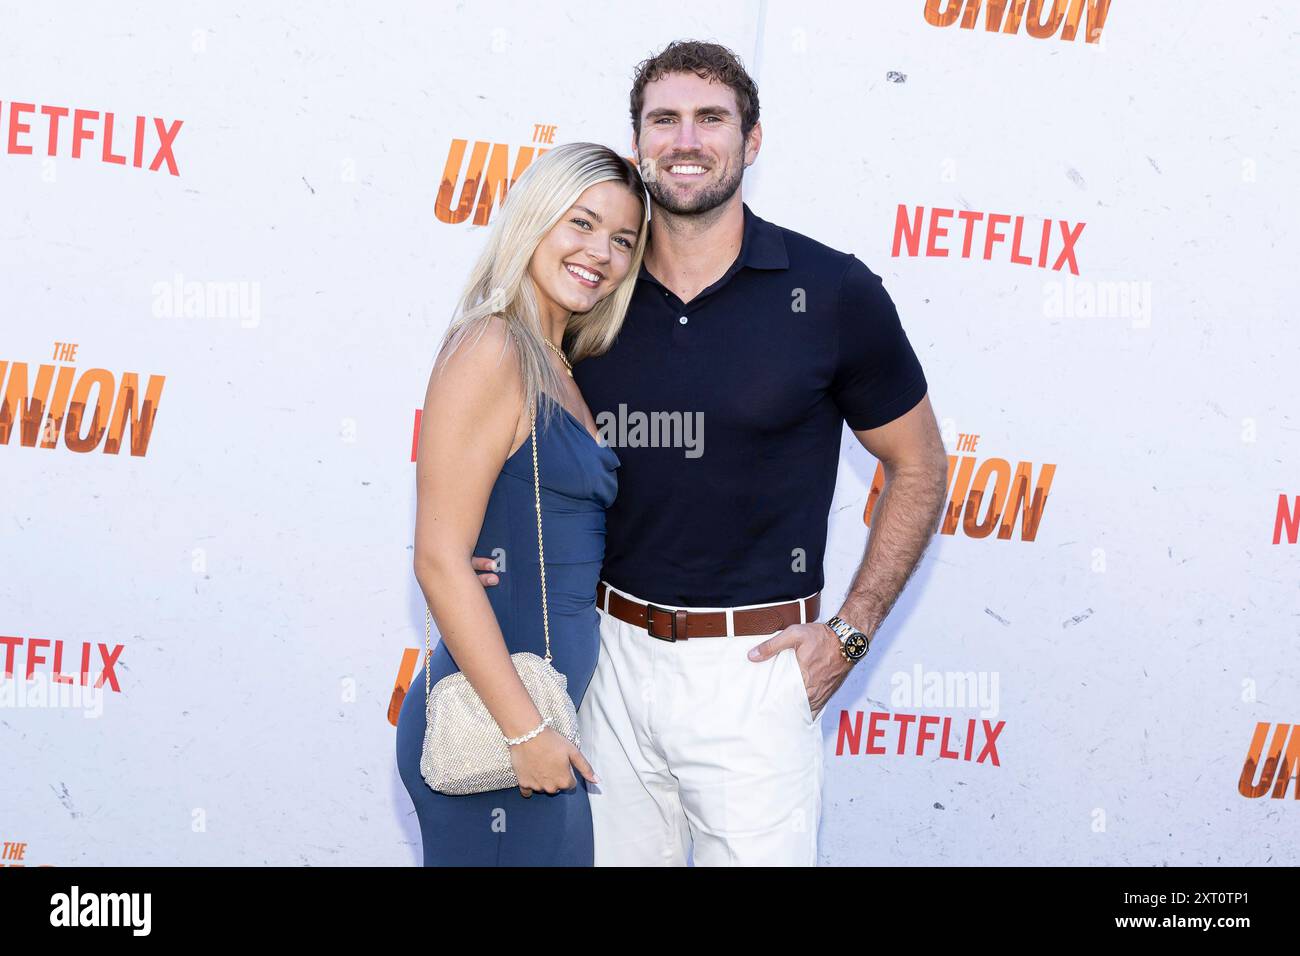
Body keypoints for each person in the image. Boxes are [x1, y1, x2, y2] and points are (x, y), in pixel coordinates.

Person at [473, 41, 950, 866]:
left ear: (751, 141)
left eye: (710, 119)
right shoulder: (592, 291)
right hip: (606, 662)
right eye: (664, 119)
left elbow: (922, 465)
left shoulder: (833, 292)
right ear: (639, 146)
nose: (686, 140)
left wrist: (854, 629)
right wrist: (488, 548)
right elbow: (512, 429)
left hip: (756, 675)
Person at [396, 141, 648, 866]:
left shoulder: (561, 366)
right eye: (581, 223)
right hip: (498, 729)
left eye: (623, 240)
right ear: (533, 219)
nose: (600, 252)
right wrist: (525, 734)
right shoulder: (493, 347)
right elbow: (440, 560)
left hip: (539, 720)